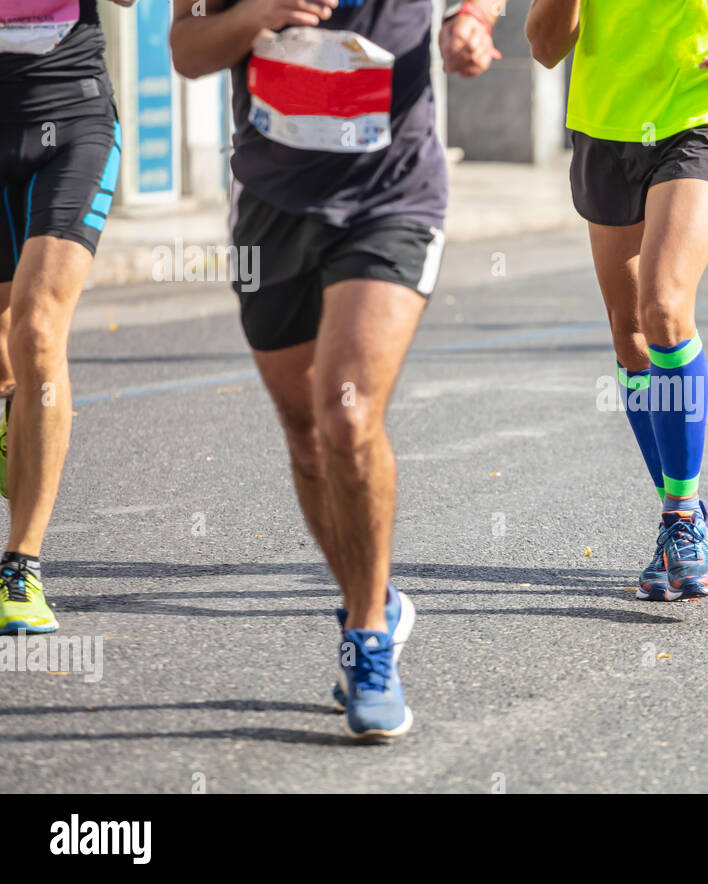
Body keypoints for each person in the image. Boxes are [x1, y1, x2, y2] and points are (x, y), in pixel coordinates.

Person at [170, 0, 504, 740]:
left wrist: (472, 20)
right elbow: (188, 50)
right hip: (271, 204)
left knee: (346, 415)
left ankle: (367, 640)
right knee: (307, 437)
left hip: (392, 194)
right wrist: (257, 14)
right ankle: (376, 599)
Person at [527, 0, 708, 600]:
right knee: (631, 334)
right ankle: (689, 519)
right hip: (606, 122)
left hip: (703, 107)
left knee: (662, 306)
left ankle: (679, 523)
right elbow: (545, 46)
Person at [0, 0, 135, 635]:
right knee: (6, 351)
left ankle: (20, 565)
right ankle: (13, 415)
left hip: (70, 111)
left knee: (37, 330)